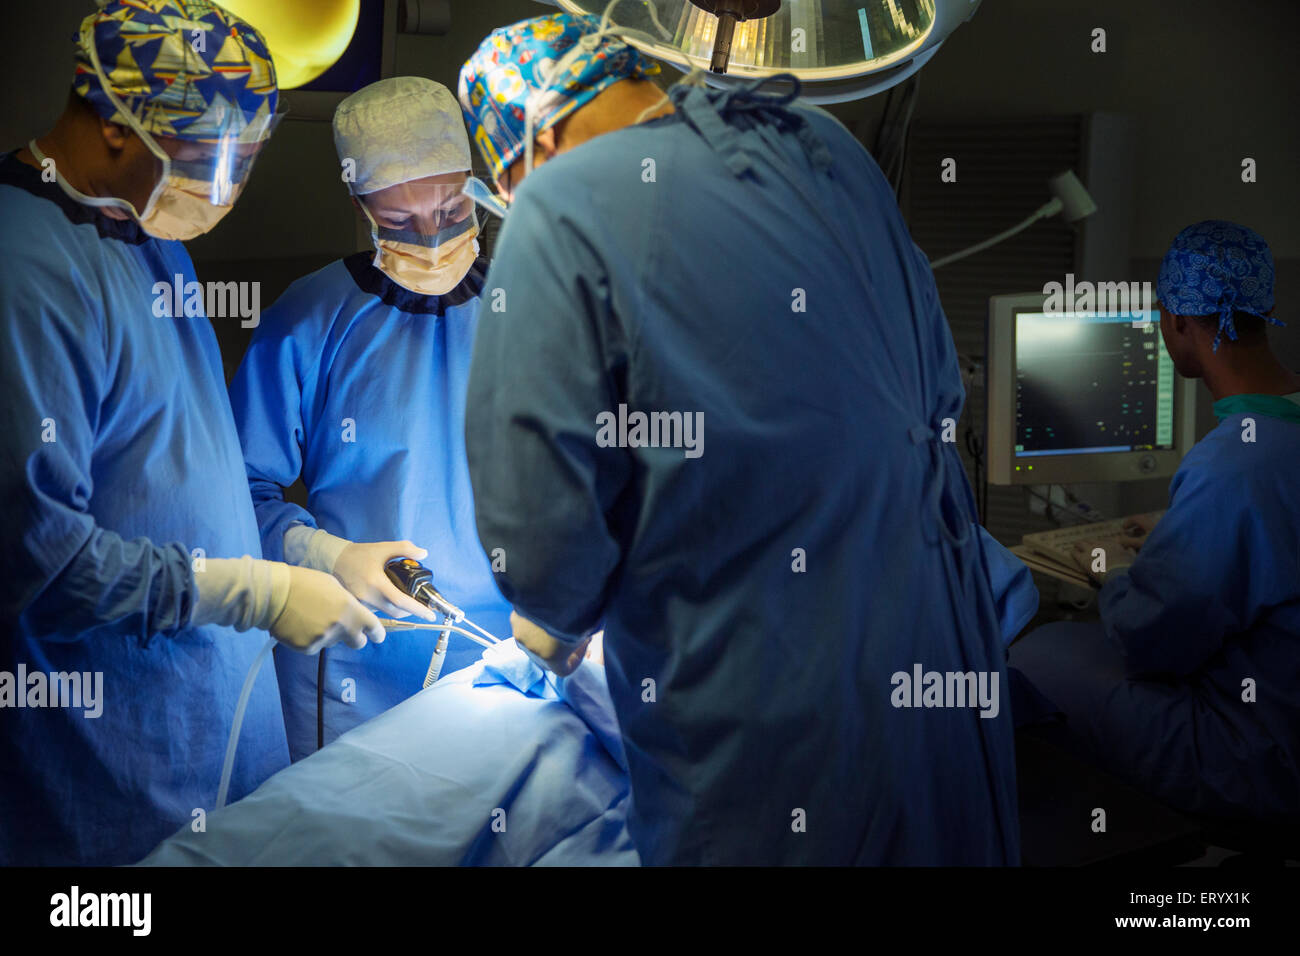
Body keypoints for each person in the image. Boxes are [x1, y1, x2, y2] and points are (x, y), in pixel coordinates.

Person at [457, 13, 1036, 865]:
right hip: (943, 680)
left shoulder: (565, 203)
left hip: (775, 741)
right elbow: (935, 389)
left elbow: (543, 557)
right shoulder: (826, 150)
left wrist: (556, 624)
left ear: (531, 146)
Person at [0, 0, 384, 866]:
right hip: (107, 747)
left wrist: (313, 558)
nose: (220, 195)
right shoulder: (24, 269)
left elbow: (175, 464)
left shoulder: (133, 225)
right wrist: (261, 594)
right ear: (109, 123)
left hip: (204, 713)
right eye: (206, 165)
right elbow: (43, 562)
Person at [229, 77, 513, 760]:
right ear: (359, 205)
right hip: (357, 658)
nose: (433, 238)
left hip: (509, 654)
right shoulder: (309, 320)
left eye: (450, 210)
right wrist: (326, 556)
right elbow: (238, 491)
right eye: (399, 223)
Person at [1010, 221, 1300, 822]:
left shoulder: (1231, 468)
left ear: (1176, 322)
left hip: (1262, 759)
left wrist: (1117, 577)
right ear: (1263, 307)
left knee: (1032, 658)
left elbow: (1154, 641)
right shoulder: (1270, 444)